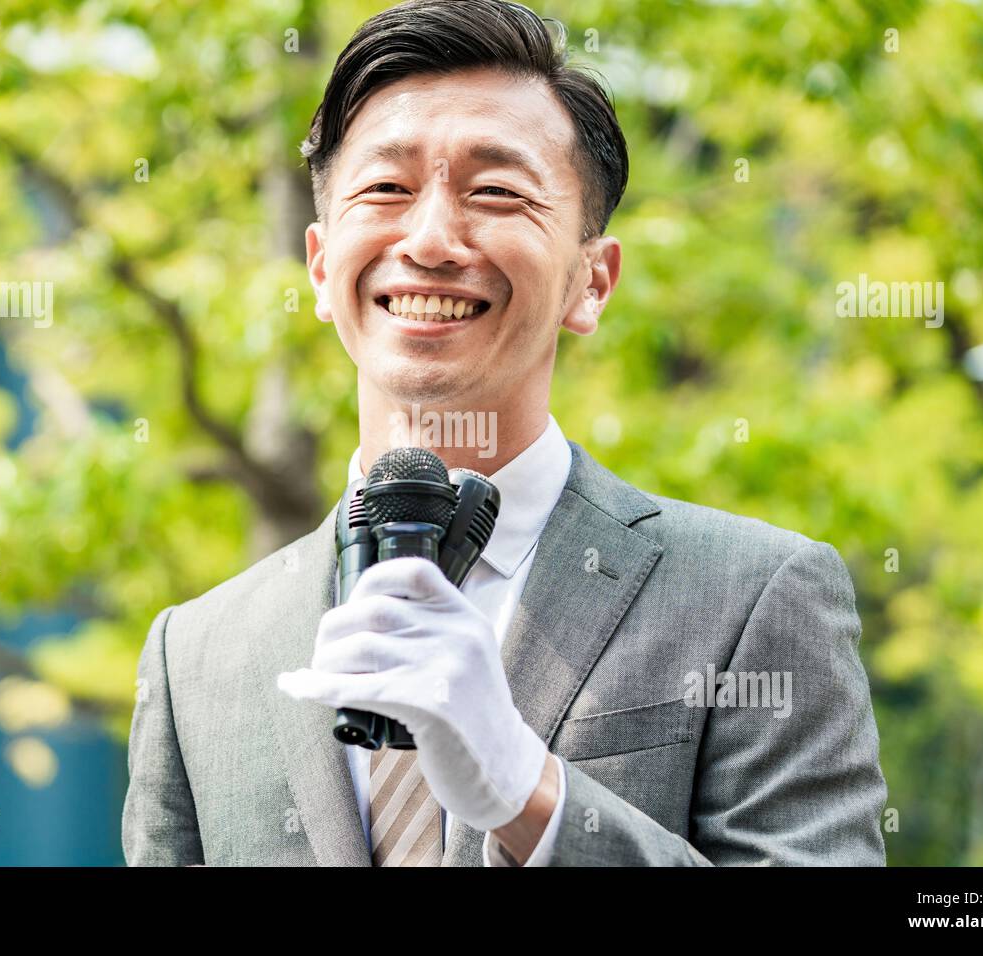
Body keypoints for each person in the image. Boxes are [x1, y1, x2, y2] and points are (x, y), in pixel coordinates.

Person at [122, 0, 887, 867]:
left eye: (495, 192)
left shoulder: (756, 600)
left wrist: (530, 793)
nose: (433, 239)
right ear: (321, 263)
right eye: (386, 189)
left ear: (592, 282)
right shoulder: (197, 655)